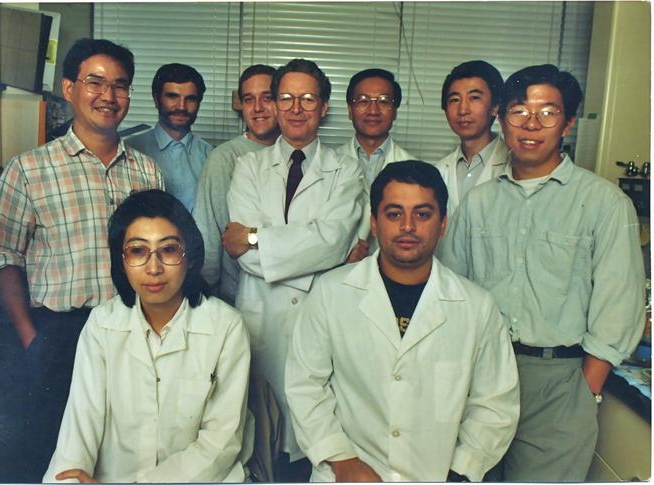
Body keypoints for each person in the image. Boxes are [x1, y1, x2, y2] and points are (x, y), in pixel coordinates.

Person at [439, 64, 646, 481]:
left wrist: (585, 388)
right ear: (501, 119)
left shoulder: (602, 203)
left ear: (568, 123)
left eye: (548, 112)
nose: (531, 124)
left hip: (560, 382)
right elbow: (450, 292)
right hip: (479, 374)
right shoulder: (478, 204)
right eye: (519, 111)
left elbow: (618, 301)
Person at [0, 38, 164, 480]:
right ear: (68, 88)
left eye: (120, 86)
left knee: (129, 450)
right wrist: (31, 336)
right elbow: (2, 257)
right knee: (56, 454)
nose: (109, 96)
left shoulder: (147, 171)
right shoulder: (28, 169)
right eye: (95, 82)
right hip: (58, 334)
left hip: (131, 330)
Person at [285, 160, 520, 482]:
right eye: (394, 213)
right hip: (347, 475)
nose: (408, 226)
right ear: (375, 223)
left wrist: (460, 472)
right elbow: (305, 385)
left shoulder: (477, 307)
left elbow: (494, 404)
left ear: (442, 225)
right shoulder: (330, 293)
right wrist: (342, 460)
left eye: (422, 214)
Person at [43, 189, 251, 483]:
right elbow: (79, 427)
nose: (154, 268)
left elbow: (220, 443)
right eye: (138, 251)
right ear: (122, 261)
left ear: (189, 257)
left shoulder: (225, 326)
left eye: (168, 250)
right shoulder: (102, 324)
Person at [223, 58, 364, 481]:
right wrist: (325, 255)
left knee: (316, 445)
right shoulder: (248, 166)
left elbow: (336, 239)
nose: (296, 107)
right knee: (262, 445)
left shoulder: (347, 167)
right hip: (261, 324)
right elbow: (327, 248)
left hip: (322, 321)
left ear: (324, 108)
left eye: (308, 98)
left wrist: (255, 238)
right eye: (285, 97)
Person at [194, 64, 280, 306]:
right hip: (237, 297)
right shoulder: (225, 158)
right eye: (249, 99)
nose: (258, 108)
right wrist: (207, 299)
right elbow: (210, 235)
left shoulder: (295, 155)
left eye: (267, 98)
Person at [336, 68, 414, 263]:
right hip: (335, 272)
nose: (373, 110)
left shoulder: (413, 167)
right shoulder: (328, 163)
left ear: (395, 111)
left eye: (383, 101)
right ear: (349, 110)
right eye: (362, 101)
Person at [127, 63, 212, 212]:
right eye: (172, 96)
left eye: (190, 99)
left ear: (198, 103)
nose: (181, 107)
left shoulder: (211, 156)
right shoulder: (129, 150)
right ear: (156, 99)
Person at [436, 60, 508, 220]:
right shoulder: (440, 170)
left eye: (474, 98)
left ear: (495, 106)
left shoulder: (514, 167)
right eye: (454, 100)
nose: (463, 110)